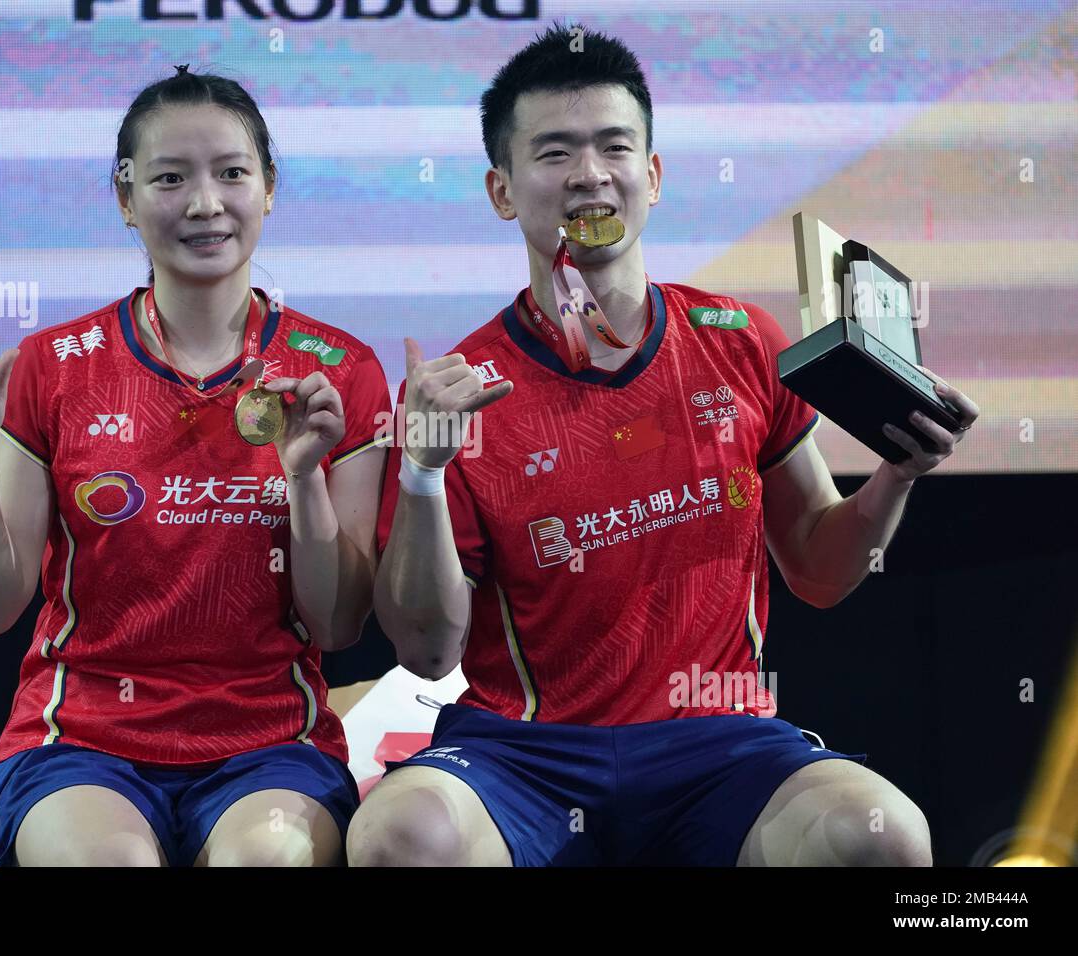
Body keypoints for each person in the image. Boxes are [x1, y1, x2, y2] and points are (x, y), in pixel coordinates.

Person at [348, 26, 978, 866]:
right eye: (555, 153)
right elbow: (427, 651)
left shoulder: (740, 341)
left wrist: (897, 474)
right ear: (502, 190)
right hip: (524, 755)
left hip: (720, 743)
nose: (589, 175)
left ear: (652, 175)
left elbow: (821, 573)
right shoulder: (458, 393)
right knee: (401, 835)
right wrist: (424, 472)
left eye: (615, 147)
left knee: (884, 837)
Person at [0, 67, 391, 867]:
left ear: (270, 188)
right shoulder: (54, 366)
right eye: (168, 178)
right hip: (80, 739)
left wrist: (302, 479)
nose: (204, 203)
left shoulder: (339, 372)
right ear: (124, 200)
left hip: (269, 743)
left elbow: (338, 624)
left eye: (231, 173)